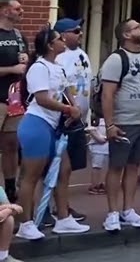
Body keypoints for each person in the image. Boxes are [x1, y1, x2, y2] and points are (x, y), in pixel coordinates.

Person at [15, 27, 89, 240]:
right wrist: (68, 109)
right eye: (58, 39)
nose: (62, 40)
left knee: (63, 170)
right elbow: (42, 99)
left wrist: (74, 108)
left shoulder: (57, 66)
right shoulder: (39, 67)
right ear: (49, 45)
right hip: (37, 125)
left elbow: (65, 91)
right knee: (31, 176)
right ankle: (26, 224)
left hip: (53, 127)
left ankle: (64, 218)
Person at [98, 19, 140, 231]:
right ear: (125, 35)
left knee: (134, 166)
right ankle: (112, 212)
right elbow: (107, 94)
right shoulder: (116, 59)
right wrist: (110, 124)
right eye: (136, 27)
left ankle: (128, 209)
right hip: (124, 121)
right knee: (116, 166)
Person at [0, 0, 30, 203]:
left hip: (14, 100)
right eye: (17, 8)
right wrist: (11, 70)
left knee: (11, 145)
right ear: (4, 11)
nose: (21, 11)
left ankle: (10, 189)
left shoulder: (19, 36)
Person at [87, 116, 108, 194]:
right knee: (97, 166)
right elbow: (91, 129)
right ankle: (94, 185)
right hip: (97, 146)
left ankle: (103, 183)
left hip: (108, 145)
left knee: (107, 166)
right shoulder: (94, 117)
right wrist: (98, 138)